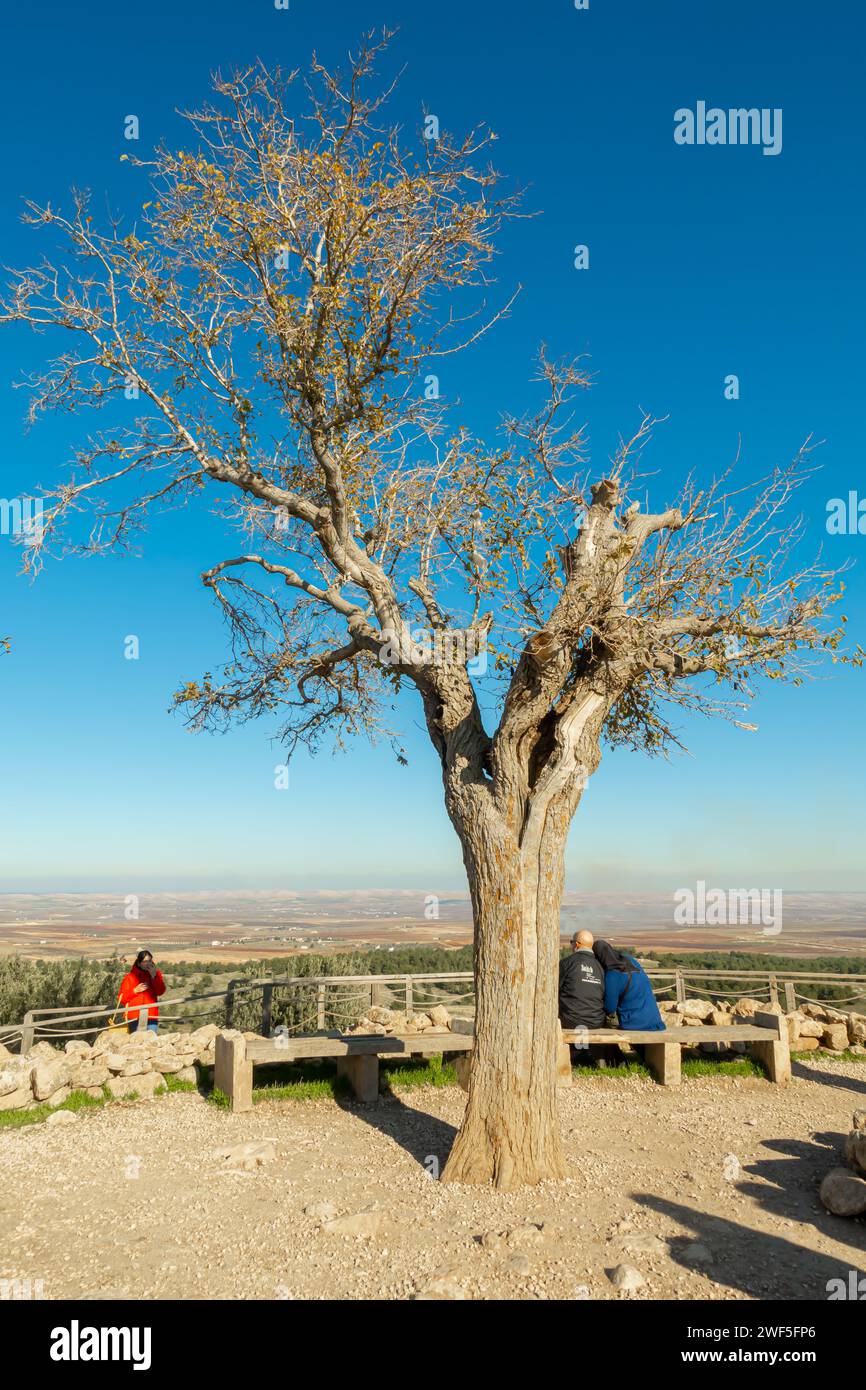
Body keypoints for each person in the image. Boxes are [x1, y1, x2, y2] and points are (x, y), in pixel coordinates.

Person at [593, 940, 664, 1031]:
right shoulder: (631, 960)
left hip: (634, 1023)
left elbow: (609, 1008)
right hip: (654, 1020)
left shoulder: (612, 975)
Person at [117, 950, 166, 1034]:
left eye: (150, 960)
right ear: (139, 963)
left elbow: (160, 991)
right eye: (145, 961)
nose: (148, 963)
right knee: (136, 1042)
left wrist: (154, 977)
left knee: (151, 1040)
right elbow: (121, 999)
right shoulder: (129, 978)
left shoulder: (156, 974)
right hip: (134, 1016)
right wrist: (135, 991)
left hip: (151, 1015)